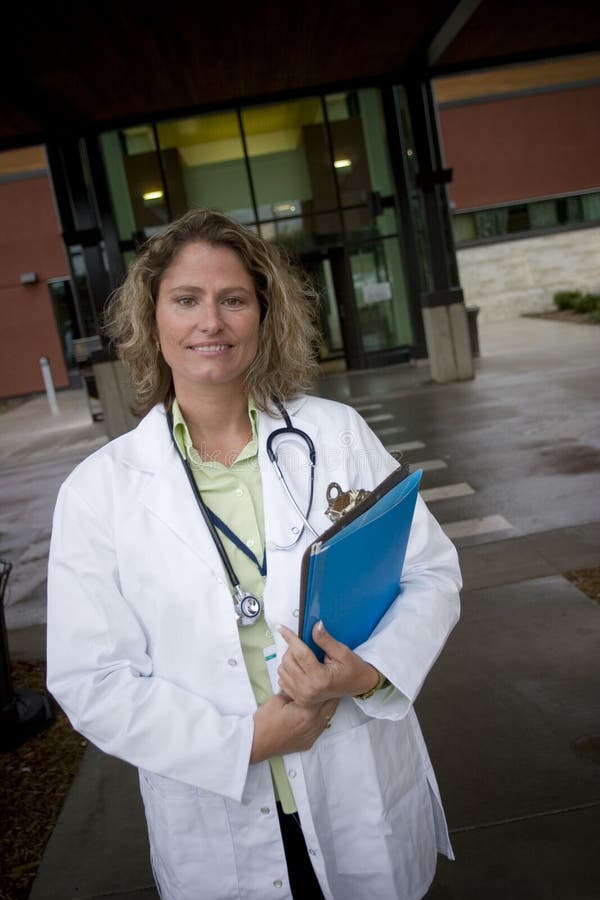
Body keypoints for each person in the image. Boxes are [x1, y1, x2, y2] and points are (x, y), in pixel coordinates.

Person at [47, 208, 461, 900]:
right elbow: (91, 678)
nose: (210, 322)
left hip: (355, 784)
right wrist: (245, 743)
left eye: (233, 299)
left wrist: (367, 673)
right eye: (186, 300)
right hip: (218, 818)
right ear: (152, 319)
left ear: (263, 316)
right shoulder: (99, 492)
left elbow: (430, 572)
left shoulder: (335, 435)